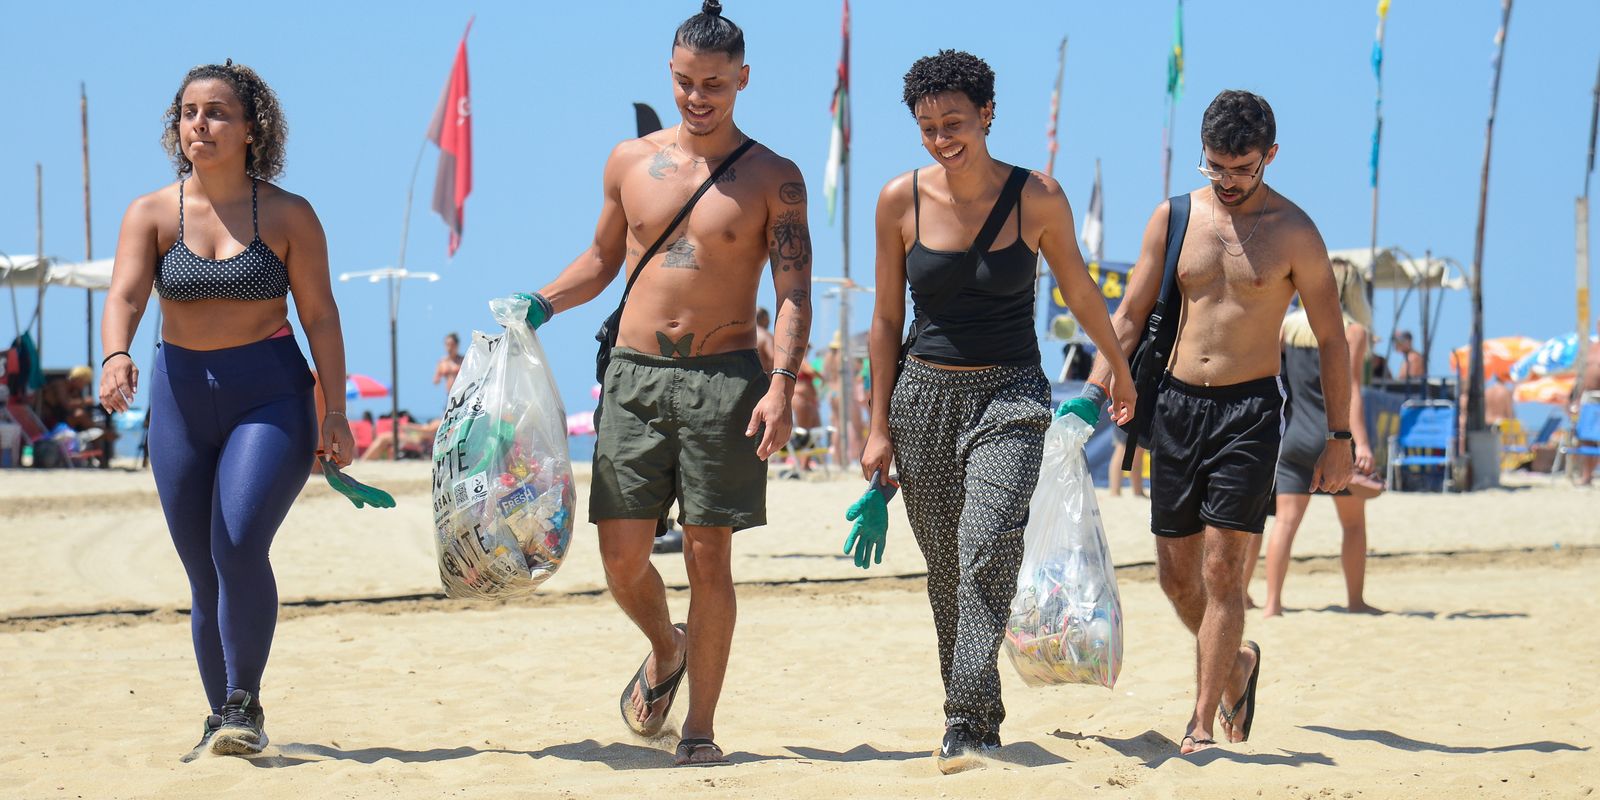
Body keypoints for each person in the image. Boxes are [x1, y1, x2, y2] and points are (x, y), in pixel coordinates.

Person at [509, 2, 811, 766]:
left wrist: (781, 383)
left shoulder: (776, 179)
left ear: (743, 79)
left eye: (714, 84)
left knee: (710, 557)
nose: (698, 98)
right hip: (634, 378)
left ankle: (701, 728)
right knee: (620, 558)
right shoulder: (627, 161)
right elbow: (602, 259)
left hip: (727, 379)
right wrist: (540, 302)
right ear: (668, 74)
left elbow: (795, 294)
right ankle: (664, 646)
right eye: (684, 82)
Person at [857, 50, 1134, 774]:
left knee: (987, 548)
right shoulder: (898, 201)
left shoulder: (1037, 197)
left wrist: (1119, 367)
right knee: (947, 569)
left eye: (955, 122)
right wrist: (877, 426)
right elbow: (886, 322)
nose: (943, 138)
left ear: (987, 114)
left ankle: (960, 719)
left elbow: (1079, 291)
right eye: (927, 127)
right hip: (922, 400)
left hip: (1011, 392)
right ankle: (977, 711)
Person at [1085, 90, 1354, 754]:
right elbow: (1128, 313)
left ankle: (1201, 722)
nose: (1229, 183)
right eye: (1216, 168)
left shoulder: (1296, 231)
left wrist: (1341, 438)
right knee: (1176, 576)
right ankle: (1236, 664)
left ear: (1270, 156)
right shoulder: (1174, 218)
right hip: (1175, 407)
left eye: (1243, 168)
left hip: (1249, 413)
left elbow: (1332, 340)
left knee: (1222, 571)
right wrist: (1090, 395)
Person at [97, 62, 350, 761]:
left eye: (215, 113)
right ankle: (222, 716)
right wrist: (116, 355)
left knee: (236, 541)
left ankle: (245, 698)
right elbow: (123, 297)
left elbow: (321, 316)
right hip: (179, 400)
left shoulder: (290, 215)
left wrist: (335, 411)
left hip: (270, 396)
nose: (198, 125)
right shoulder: (152, 213)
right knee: (203, 569)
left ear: (251, 129)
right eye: (187, 113)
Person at [1245, 262, 1383, 618]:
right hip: (1333, 437)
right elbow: (1351, 392)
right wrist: (1362, 445)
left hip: (1294, 435)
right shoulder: (1352, 331)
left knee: (1286, 523)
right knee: (1353, 524)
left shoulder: (1288, 327)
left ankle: (1272, 604)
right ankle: (1355, 602)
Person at [754, 307, 775, 372]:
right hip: (762, 378)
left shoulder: (745, 336)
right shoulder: (766, 336)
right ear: (764, 319)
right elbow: (772, 357)